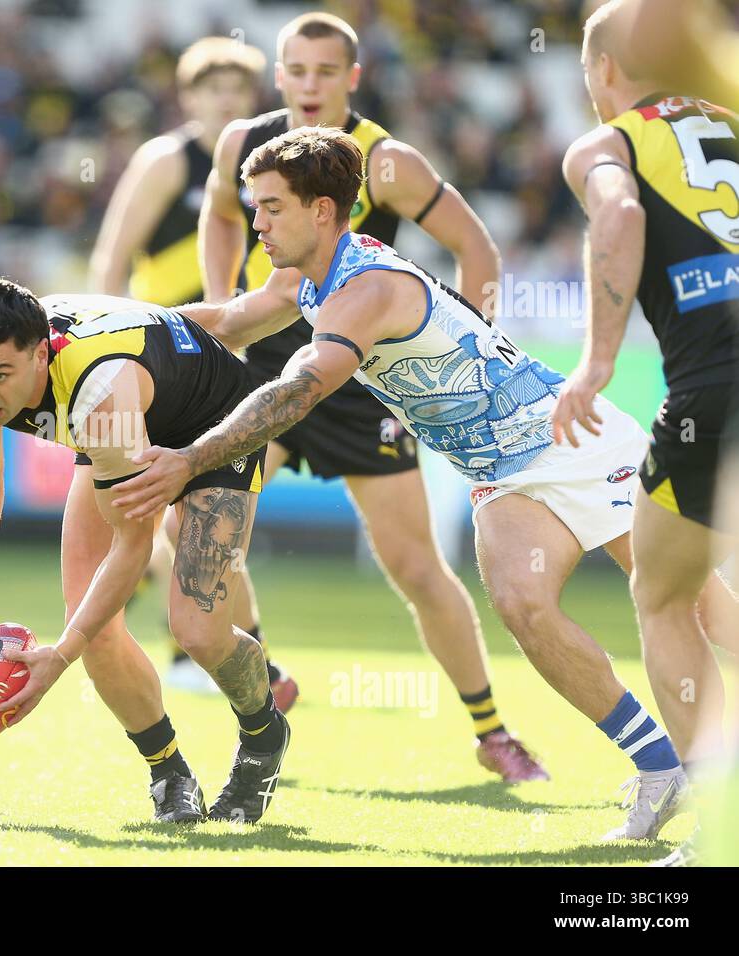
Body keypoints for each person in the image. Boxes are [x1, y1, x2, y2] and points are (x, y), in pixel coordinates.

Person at [112, 125, 732, 841]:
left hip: (577, 444)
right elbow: (227, 320)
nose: (257, 223)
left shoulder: (366, 290)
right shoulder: (307, 277)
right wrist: (122, 328)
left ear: (321, 211)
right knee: (524, 606)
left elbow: (294, 392)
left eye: (272, 208)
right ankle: (660, 768)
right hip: (499, 471)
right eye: (254, 207)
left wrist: (189, 459)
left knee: (702, 612)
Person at [197, 12, 543, 780]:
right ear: (278, 75)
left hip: (363, 383)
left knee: (416, 567)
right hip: (272, 377)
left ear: (352, 79)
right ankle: (269, 685)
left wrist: (469, 351)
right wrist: (225, 305)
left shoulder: (385, 161)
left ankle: (492, 732)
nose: (311, 85)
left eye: (327, 72)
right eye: (297, 70)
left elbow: (477, 245)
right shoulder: (242, 147)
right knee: (203, 538)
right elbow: (220, 216)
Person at [0, 280, 288, 823]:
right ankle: (169, 773)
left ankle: (264, 736)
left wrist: (60, 656)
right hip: (124, 427)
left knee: (196, 630)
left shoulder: (99, 396)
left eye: (0, 376)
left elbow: (132, 547)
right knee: (94, 625)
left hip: (210, 426)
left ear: (40, 354)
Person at [552, 0, 739, 862]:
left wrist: (594, 363)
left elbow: (619, 219)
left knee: (662, 595)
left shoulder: (609, 143)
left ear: (604, 72)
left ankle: (722, 824)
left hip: (716, 380)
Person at [88, 36, 298, 703]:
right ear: (189, 98)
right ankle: (207, 652)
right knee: (160, 510)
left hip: (230, 357)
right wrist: (105, 345)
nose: (226, 101)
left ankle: (208, 649)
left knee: (193, 510)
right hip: (157, 357)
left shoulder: (263, 167)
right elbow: (113, 257)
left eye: (237, 90)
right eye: (212, 90)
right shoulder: (167, 160)